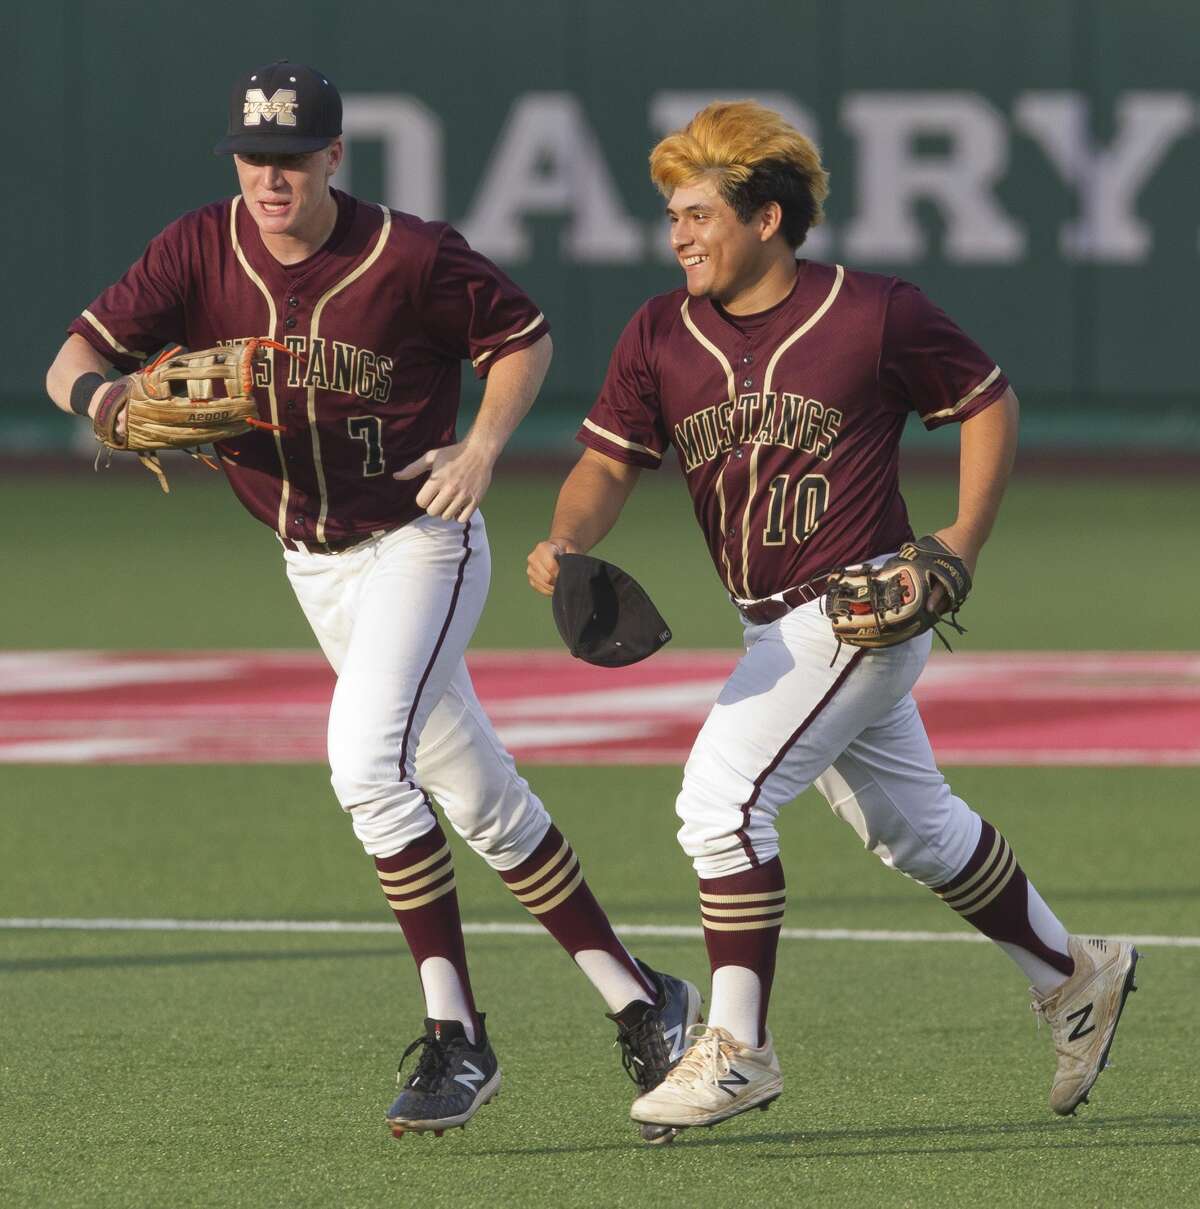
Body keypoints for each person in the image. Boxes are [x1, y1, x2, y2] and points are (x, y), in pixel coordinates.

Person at [45, 60, 699, 1140]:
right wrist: (105, 400)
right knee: (479, 798)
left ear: (334, 156)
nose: (271, 179)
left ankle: (457, 1034)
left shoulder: (410, 255)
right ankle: (644, 999)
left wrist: (481, 447)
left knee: (363, 766)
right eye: (254, 158)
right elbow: (72, 357)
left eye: (293, 159)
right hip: (312, 564)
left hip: (418, 543)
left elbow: (524, 338)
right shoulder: (199, 247)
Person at [527, 100, 1138, 1134]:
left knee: (720, 803)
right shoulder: (661, 331)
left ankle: (738, 1050)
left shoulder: (872, 312)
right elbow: (607, 462)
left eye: (698, 214)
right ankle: (1073, 973)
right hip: (770, 622)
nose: (678, 236)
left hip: (855, 612)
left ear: (766, 218)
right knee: (916, 830)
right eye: (672, 216)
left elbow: (987, 401)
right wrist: (566, 537)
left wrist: (962, 541)